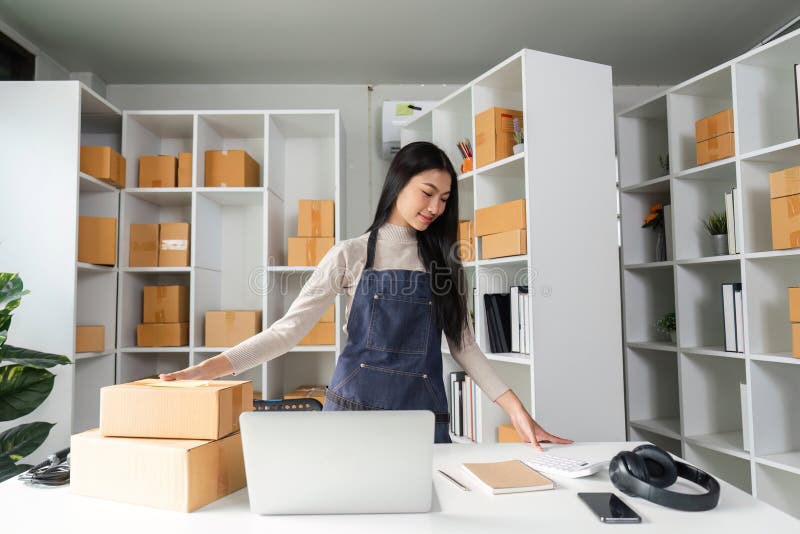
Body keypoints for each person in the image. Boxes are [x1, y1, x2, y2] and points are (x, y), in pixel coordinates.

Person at [161, 141, 571, 448]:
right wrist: (205, 371)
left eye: (445, 199)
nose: (435, 207)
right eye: (427, 192)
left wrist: (518, 412)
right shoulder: (350, 254)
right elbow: (287, 332)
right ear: (398, 183)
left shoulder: (445, 262)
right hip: (351, 415)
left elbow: (464, 347)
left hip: (421, 419)